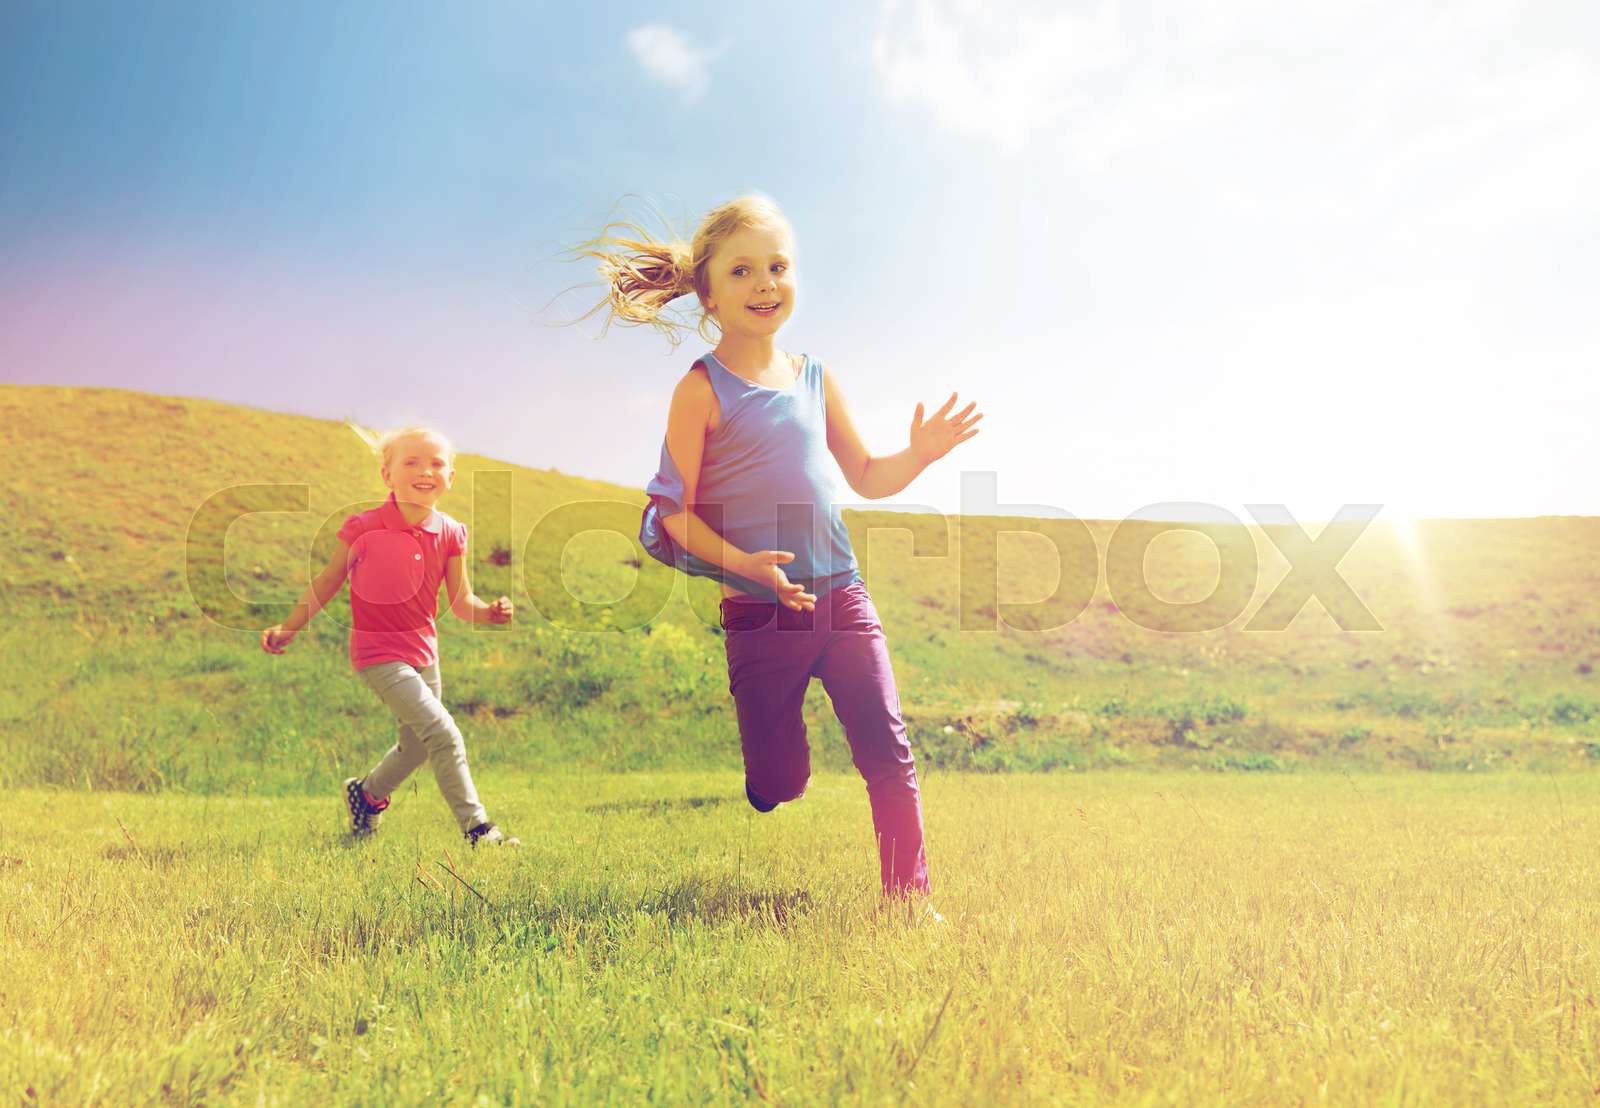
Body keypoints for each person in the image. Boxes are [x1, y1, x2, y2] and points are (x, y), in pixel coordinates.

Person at [570, 195, 981, 895]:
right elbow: (673, 514)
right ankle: (770, 782)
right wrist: (746, 566)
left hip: (843, 595)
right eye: (742, 271)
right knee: (780, 780)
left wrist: (919, 455)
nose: (765, 284)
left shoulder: (815, 376)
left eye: (778, 266)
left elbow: (869, 476)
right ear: (707, 291)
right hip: (760, 614)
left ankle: (909, 901)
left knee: (889, 752)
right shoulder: (701, 390)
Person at [260, 426, 519, 846]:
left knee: (416, 746)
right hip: (378, 654)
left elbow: (461, 601)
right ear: (388, 475)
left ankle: (367, 795)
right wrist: (288, 627)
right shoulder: (363, 527)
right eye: (412, 462)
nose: (425, 471)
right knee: (444, 734)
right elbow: (328, 581)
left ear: (451, 477)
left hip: (424, 652)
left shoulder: (452, 532)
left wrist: (489, 613)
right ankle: (479, 830)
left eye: (437, 463)